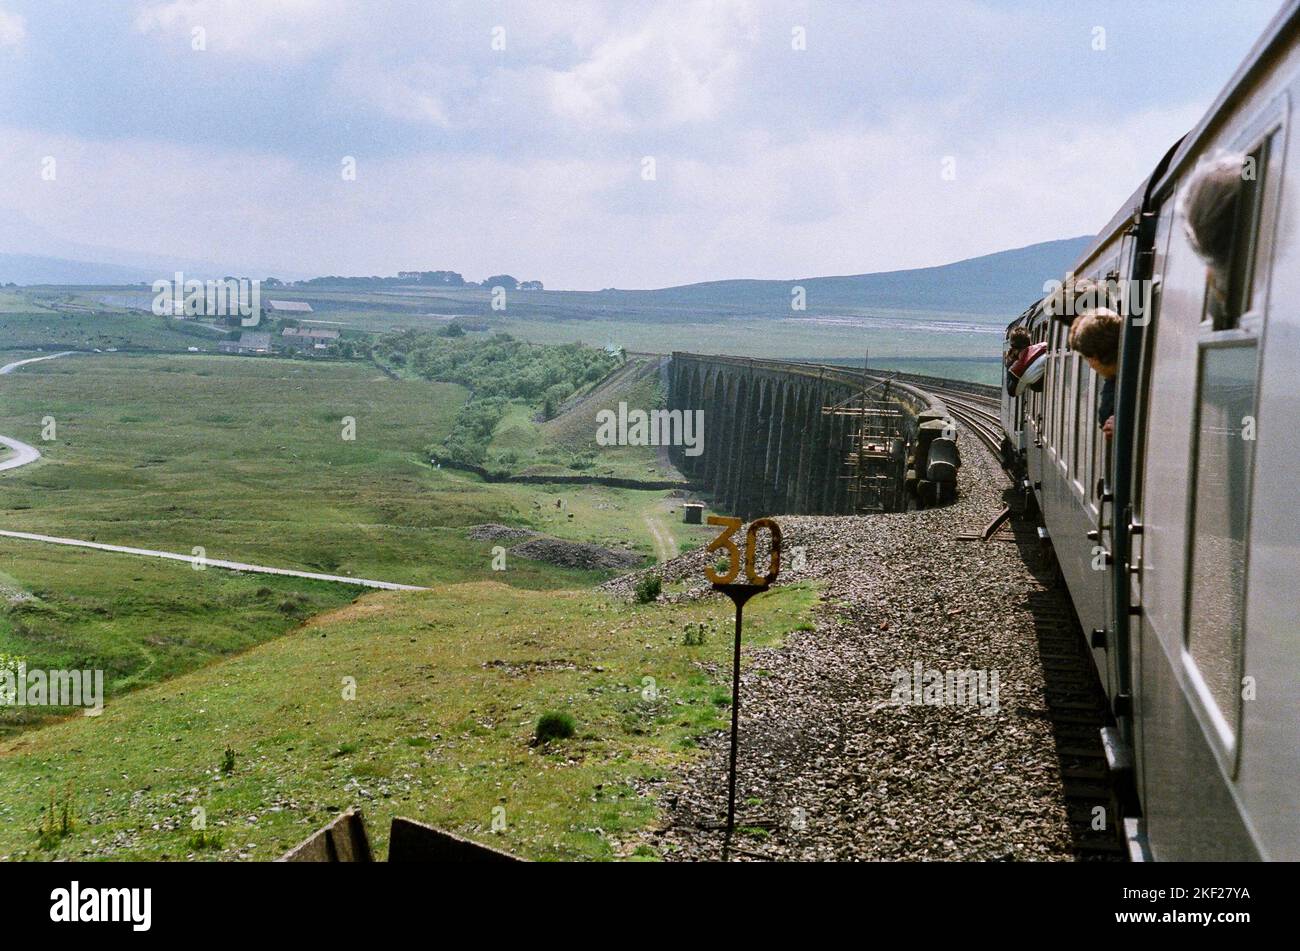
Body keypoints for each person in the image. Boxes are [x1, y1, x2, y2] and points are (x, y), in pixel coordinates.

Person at [1068, 307, 1123, 439]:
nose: (1091, 366)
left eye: (1088, 359)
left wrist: (1124, 426)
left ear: (1095, 356)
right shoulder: (1116, 380)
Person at [1005, 327, 1047, 397]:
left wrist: (1009, 364)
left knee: (1035, 386)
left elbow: (1012, 392)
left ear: (1013, 348)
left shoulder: (1016, 370)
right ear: (1029, 342)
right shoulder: (1044, 345)